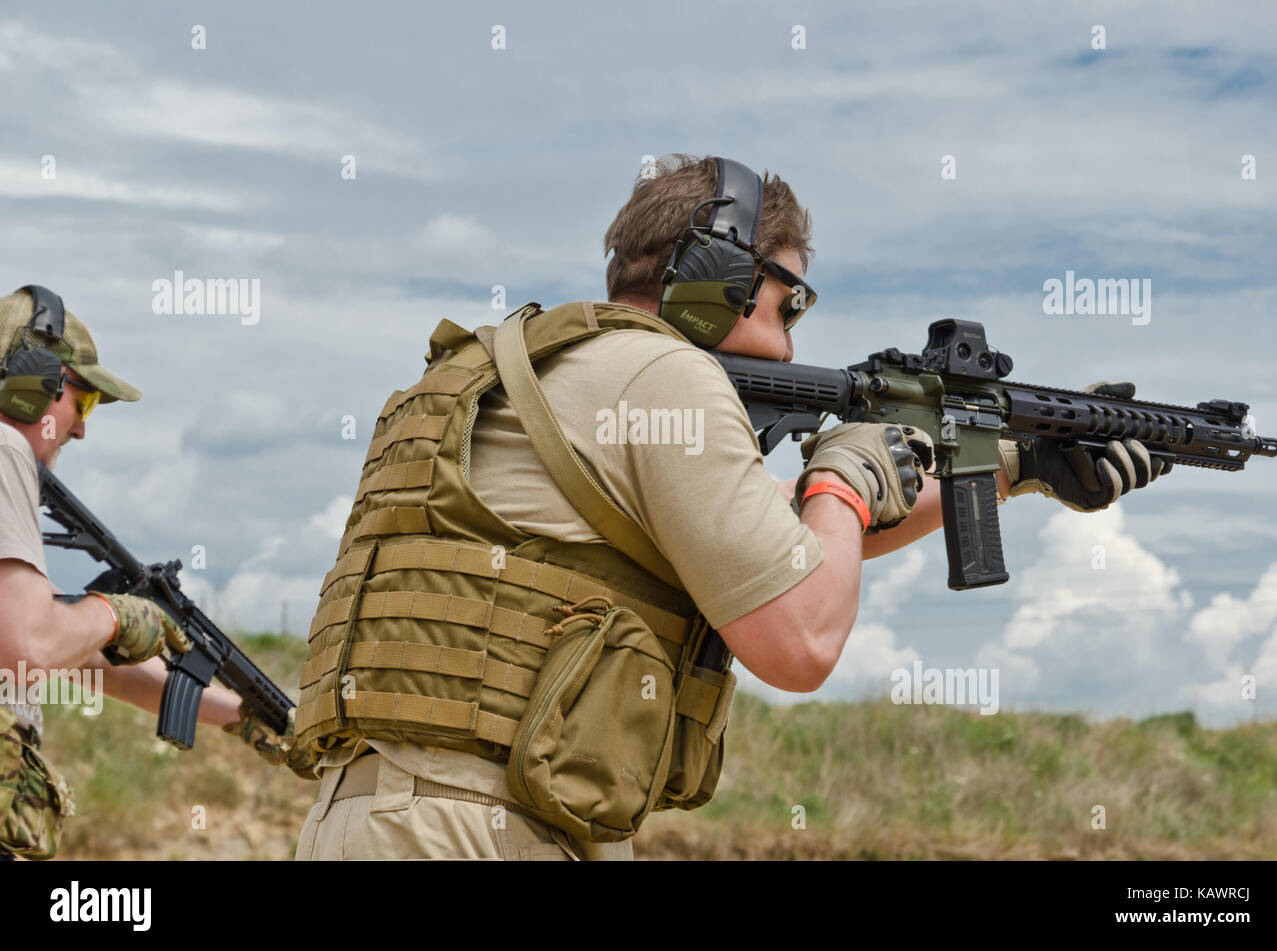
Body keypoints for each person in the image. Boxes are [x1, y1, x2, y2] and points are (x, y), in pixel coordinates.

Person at [292, 155, 1170, 861]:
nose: (793, 340)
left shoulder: (512, 369)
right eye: (789, 303)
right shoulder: (668, 374)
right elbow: (799, 638)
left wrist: (1012, 466)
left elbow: (760, 545)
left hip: (368, 816)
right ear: (718, 274)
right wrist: (844, 478)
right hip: (482, 827)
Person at [0, 285, 287, 860]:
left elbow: (71, 656)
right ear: (33, 383)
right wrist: (114, 615)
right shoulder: (6, 448)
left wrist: (241, 717)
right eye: (80, 403)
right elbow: (28, 649)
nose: (81, 430)